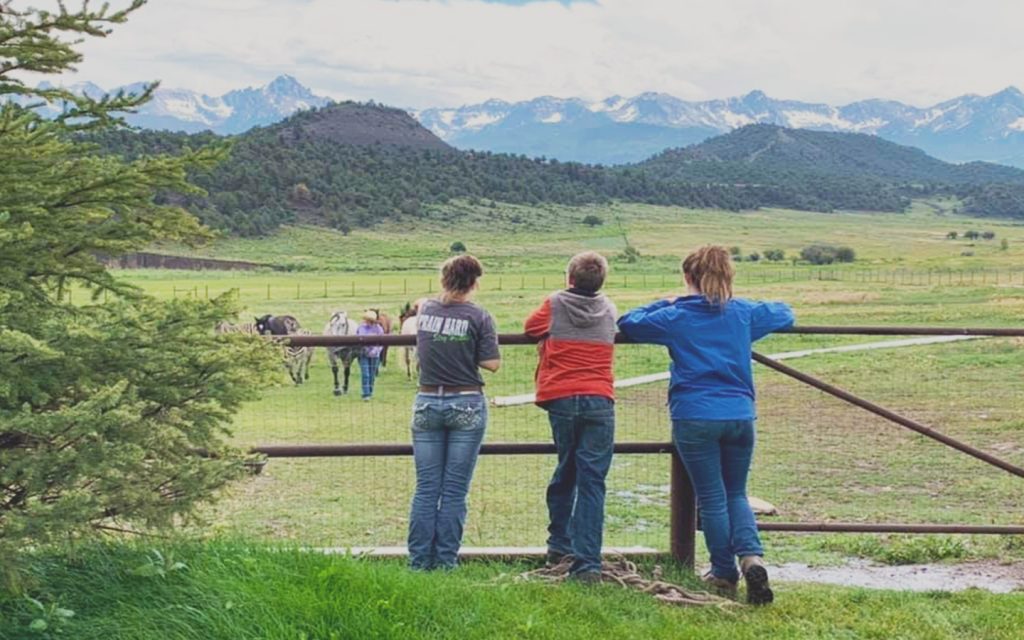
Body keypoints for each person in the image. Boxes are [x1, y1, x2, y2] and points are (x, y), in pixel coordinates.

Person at [617, 245, 794, 605]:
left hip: (695, 413)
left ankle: (723, 573)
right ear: (728, 276)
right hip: (740, 414)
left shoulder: (677, 316)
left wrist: (664, 302)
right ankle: (752, 557)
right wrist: (741, 302)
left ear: (688, 278)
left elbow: (629, 322)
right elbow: (785, 313)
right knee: (736, 493)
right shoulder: (743, 313)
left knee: (711, 498)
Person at [524, 251, 617, 583]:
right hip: (599, 399)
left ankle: (558, 545)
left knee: (566, 469)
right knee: (593, 481)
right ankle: (588, 564)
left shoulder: (555, 303)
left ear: (570, 278)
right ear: (601, 280)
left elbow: (530, 327)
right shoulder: (610, 308)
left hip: (561, 396)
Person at [407, 254, 501, 570]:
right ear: (474, 283)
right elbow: (492, 363)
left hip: (427, 401)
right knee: (454, 490)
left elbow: (422, 303)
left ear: (443, 280)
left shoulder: (426, 310)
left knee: (426, 488)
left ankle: (419, 562)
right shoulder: (480, 317)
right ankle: (446, 561)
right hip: (466, 402)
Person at [356, 310, 384, 400]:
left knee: (372, 375)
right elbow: (358, 340)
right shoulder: (361, 328)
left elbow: (382, 342)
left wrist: (376, 350)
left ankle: (370, 391)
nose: (367, 322)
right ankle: (366, 394)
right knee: (365, 374)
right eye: (366, 320)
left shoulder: (378, 329)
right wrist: (365, 349)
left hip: (375, 355)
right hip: (363, 354)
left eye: (369, 320)